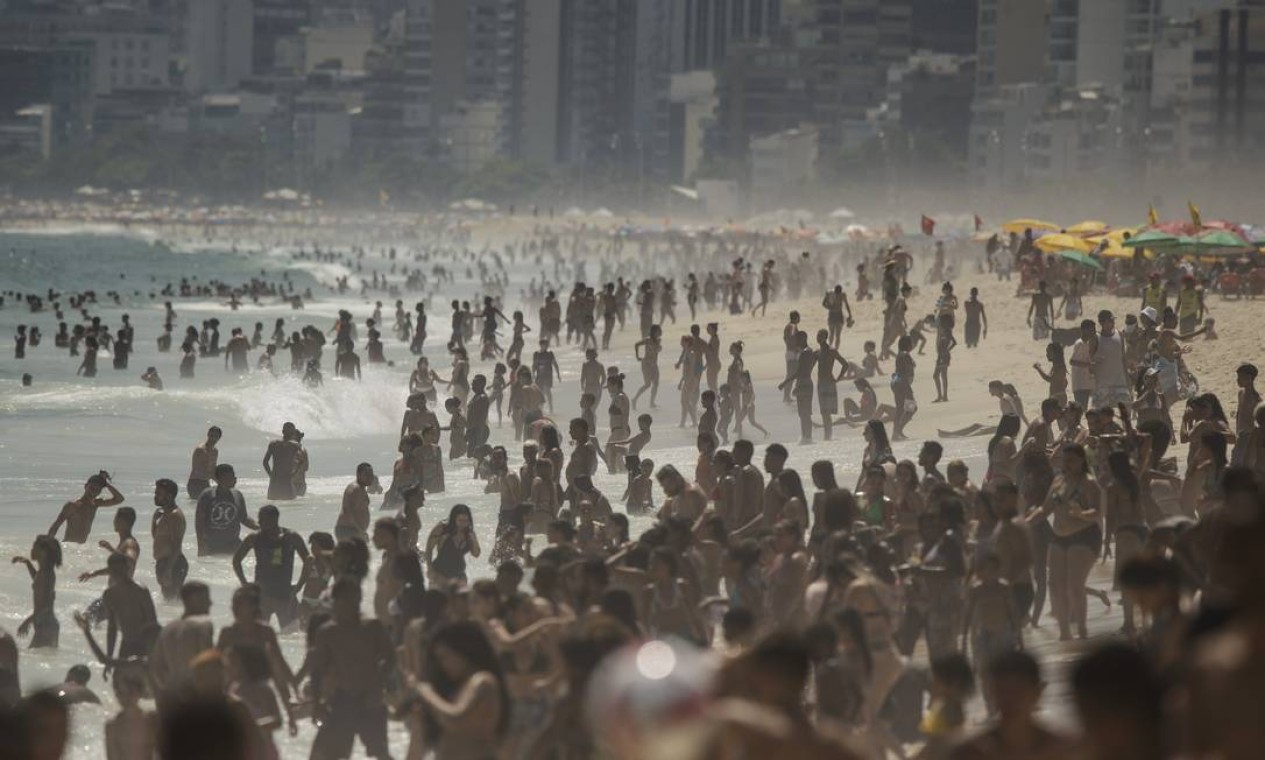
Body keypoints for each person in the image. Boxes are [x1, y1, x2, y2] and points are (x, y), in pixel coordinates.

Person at [413, 621, 509, 760]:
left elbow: (456, 718)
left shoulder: (483, 681)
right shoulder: (454, 690)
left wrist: (427, 693)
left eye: (445, 657)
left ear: (463, 652)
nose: (443, 665)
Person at [950, 652, 1069, 760]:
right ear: (990, 692)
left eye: (1017, 692)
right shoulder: (972, 753)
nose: (1009, 700)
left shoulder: (1062, 750)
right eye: (1002, 691)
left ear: (1038, 690)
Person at [233, 505, 311, 629]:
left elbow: (309, 561)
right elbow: (236, 561)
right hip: (262, 595)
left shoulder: (291, 537)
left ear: (273, 520)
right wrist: (245, 584)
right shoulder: (254, 538)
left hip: (285, 594)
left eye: (261, 519)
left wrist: (299, 586)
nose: (258, 522)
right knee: (258, 634)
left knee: (292, 634)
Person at [148, 581, 214, 703]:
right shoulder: (203, 625)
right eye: (205, 598)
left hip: (171, 697)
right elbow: (208, 663)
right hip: (195, 696)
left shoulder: (167, 629)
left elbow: (156, 669)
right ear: (192, 601)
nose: (210, 603)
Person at [102, 551, 160, 662]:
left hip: (144, 644)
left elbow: (152, 621)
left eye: (120, 570)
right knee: (120, 677)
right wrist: (109, 658)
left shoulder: (140, 590)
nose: (118, 574)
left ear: (127, 568)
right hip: (126, 643)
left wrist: (154, 651)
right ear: (110, 571)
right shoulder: (109, 595)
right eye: (114, 570)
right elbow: (112, 628)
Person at [195, 464, 258, 556]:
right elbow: (199, 522)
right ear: (221, 478)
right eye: (232, 476)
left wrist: (261, 527)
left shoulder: (237, 495)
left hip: (233, 543)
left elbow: (244, 518)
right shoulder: (207, 495)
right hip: (211, 545)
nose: (235, 479)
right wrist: (200, 545)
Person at [48, 470, 125, 544]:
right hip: (69, 545)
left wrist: (107, 484)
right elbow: (56, 526)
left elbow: (119, 499)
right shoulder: (72, 505)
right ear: (85, 486)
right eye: (91, 488)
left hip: (82, 548)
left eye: (97, 490)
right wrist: (48, 544)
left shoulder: (95, 504)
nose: (93, 491)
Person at [13, 535, 61, 648]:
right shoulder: (44, 572)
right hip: (46, 623)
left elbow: (46, 605)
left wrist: (27, 622)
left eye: (35, 547)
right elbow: (37, 581)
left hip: (46, 624)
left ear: (44, 552)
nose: (32, 550)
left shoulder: (46, 574)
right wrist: (28, 563)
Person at [151, 478, 188, 601]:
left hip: (174, 564)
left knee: (173, 601)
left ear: (169, 496)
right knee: (168, 601)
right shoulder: (163, 514)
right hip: (163, 563)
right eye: (156, 493)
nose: (155, 496)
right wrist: (154, 521)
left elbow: (177, 545)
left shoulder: (175, 515)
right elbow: (156, 538)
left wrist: (168, 569)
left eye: (159, 494)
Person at [426, 504, 481, 587]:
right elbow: (429, 549)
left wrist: (473, 539)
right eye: (460, 520)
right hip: (439, 573)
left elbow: (476, 554)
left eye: (466, 520)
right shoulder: (442, 529)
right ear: (454, 519)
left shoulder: (469, 533)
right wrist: (430, 569)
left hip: (459, 575)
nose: (463, 524)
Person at [262, 422, 303, 501]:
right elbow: (301, 462)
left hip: (275, 480)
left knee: (273, 503)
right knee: (289, 506)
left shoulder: (273, 444)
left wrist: (271, 475)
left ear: (282, 432)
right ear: (293, 433)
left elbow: (265, 462)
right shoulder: (295, 446)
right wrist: (293, 474)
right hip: (286, 479)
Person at [337, 462, 376, 541]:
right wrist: (360, 531)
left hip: (354, 530)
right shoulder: (354, 489)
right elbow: (347, 511)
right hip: (348, 530)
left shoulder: (361, 488)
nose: (370, 477)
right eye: (366, 475)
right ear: (358, 475)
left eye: (371, 475)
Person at [188, 426, 222, 499]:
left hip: (205, 482)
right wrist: (220, 483)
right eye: (211, 436)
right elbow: (201, 470)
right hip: (195, 482)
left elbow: (213, 469)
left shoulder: (215, 451)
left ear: (219, 438)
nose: (213, 438)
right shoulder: (201, 450)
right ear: (208, 435)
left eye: (216, 436)